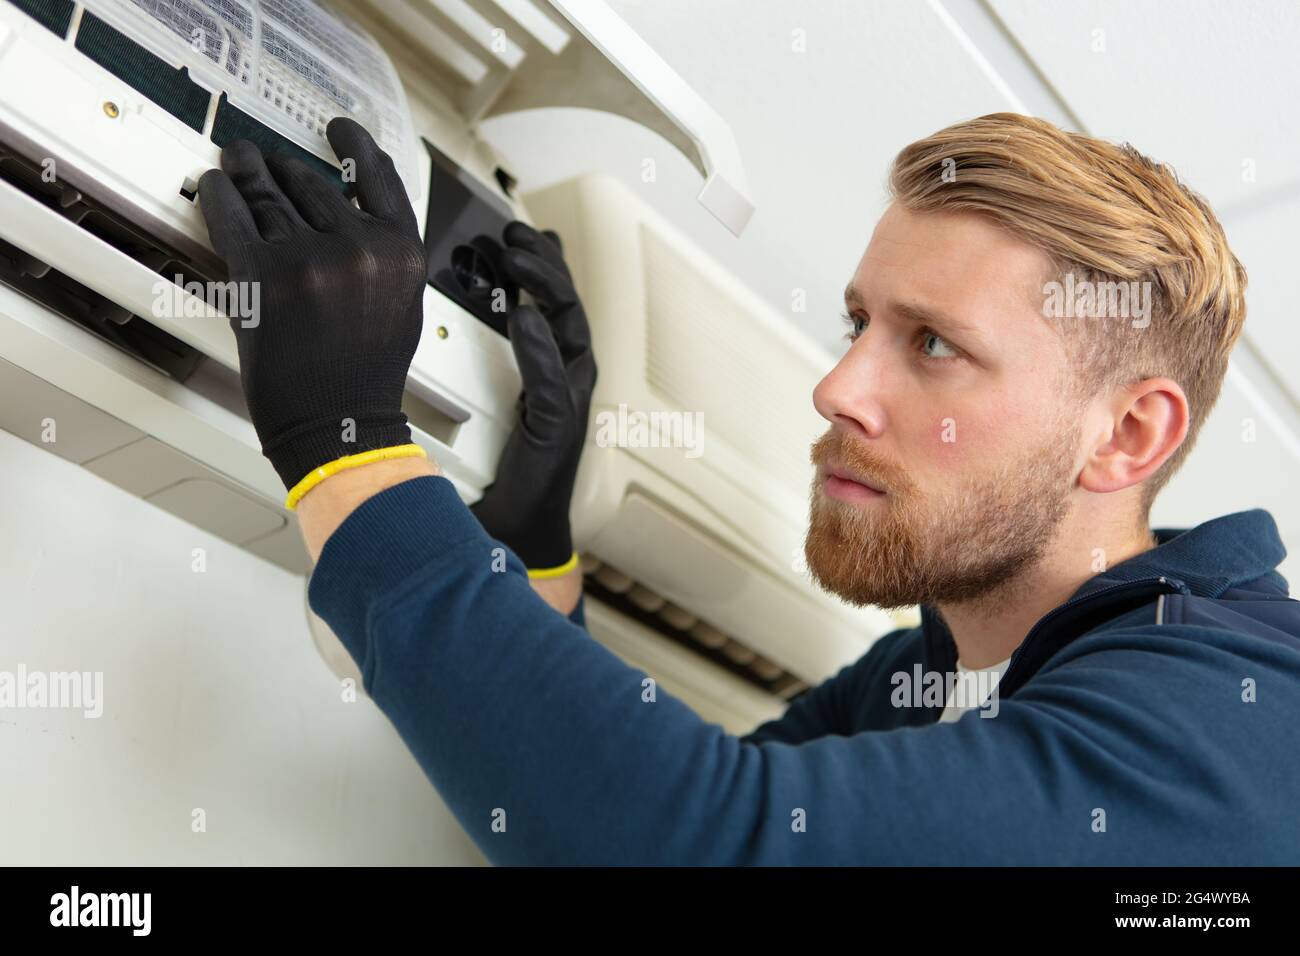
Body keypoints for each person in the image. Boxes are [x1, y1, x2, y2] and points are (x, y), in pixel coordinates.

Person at [197, 113, 1300, 865]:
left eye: (933, 345)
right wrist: (534, 541)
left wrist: (342, 445)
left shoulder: (1238, 715)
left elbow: (700, 843)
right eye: (859, 322)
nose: (837, 388)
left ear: (1124, 435)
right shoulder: (928, 673)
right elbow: (618, 799)